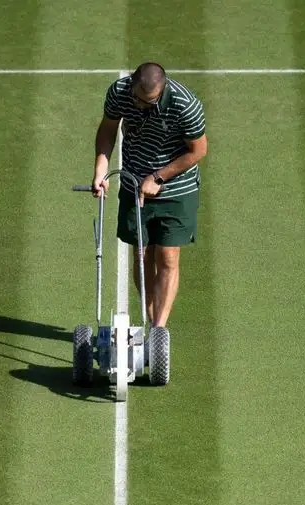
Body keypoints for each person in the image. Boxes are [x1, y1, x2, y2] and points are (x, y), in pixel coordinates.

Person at [91, 61, 208, 330]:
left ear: (163, 89)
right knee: (142, 257)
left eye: (151, 102)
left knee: (167, 257)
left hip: (177, 189)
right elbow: (108, 129)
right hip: (134, 184)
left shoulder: (185, 105)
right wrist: (100, 170)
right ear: (132, 84)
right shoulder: (119, 92)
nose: (142, 106)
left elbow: (198, 150)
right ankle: (153, 321)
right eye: (139, 100)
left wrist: (157, 178)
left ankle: (158, 329)